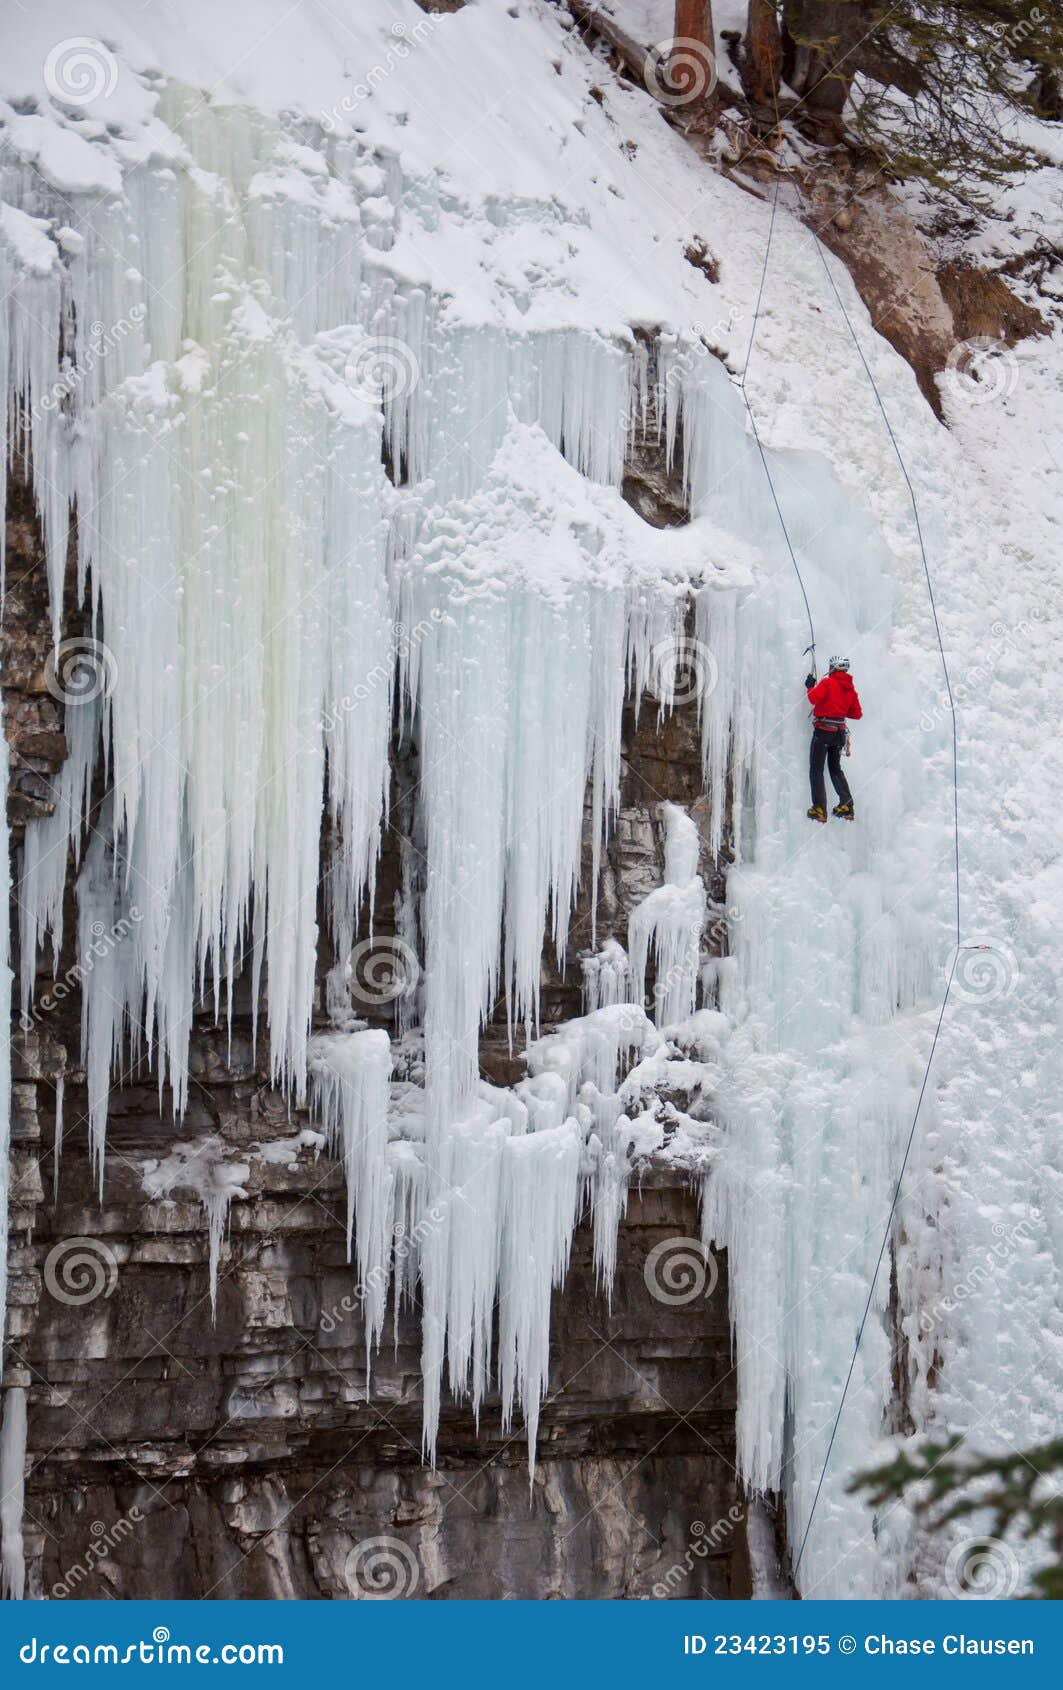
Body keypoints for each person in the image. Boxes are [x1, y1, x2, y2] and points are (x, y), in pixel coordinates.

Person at [804, 657, 862, 822]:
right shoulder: (850, 689)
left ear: (833, 668)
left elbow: (813, 699)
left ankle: (819, 808)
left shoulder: (828, 682)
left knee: (816, 770)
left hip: (823, 731)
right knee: (835, 769)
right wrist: (840, 710)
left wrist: (810, 686)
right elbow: (856, 714)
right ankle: (846, 805)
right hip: (839, 733)